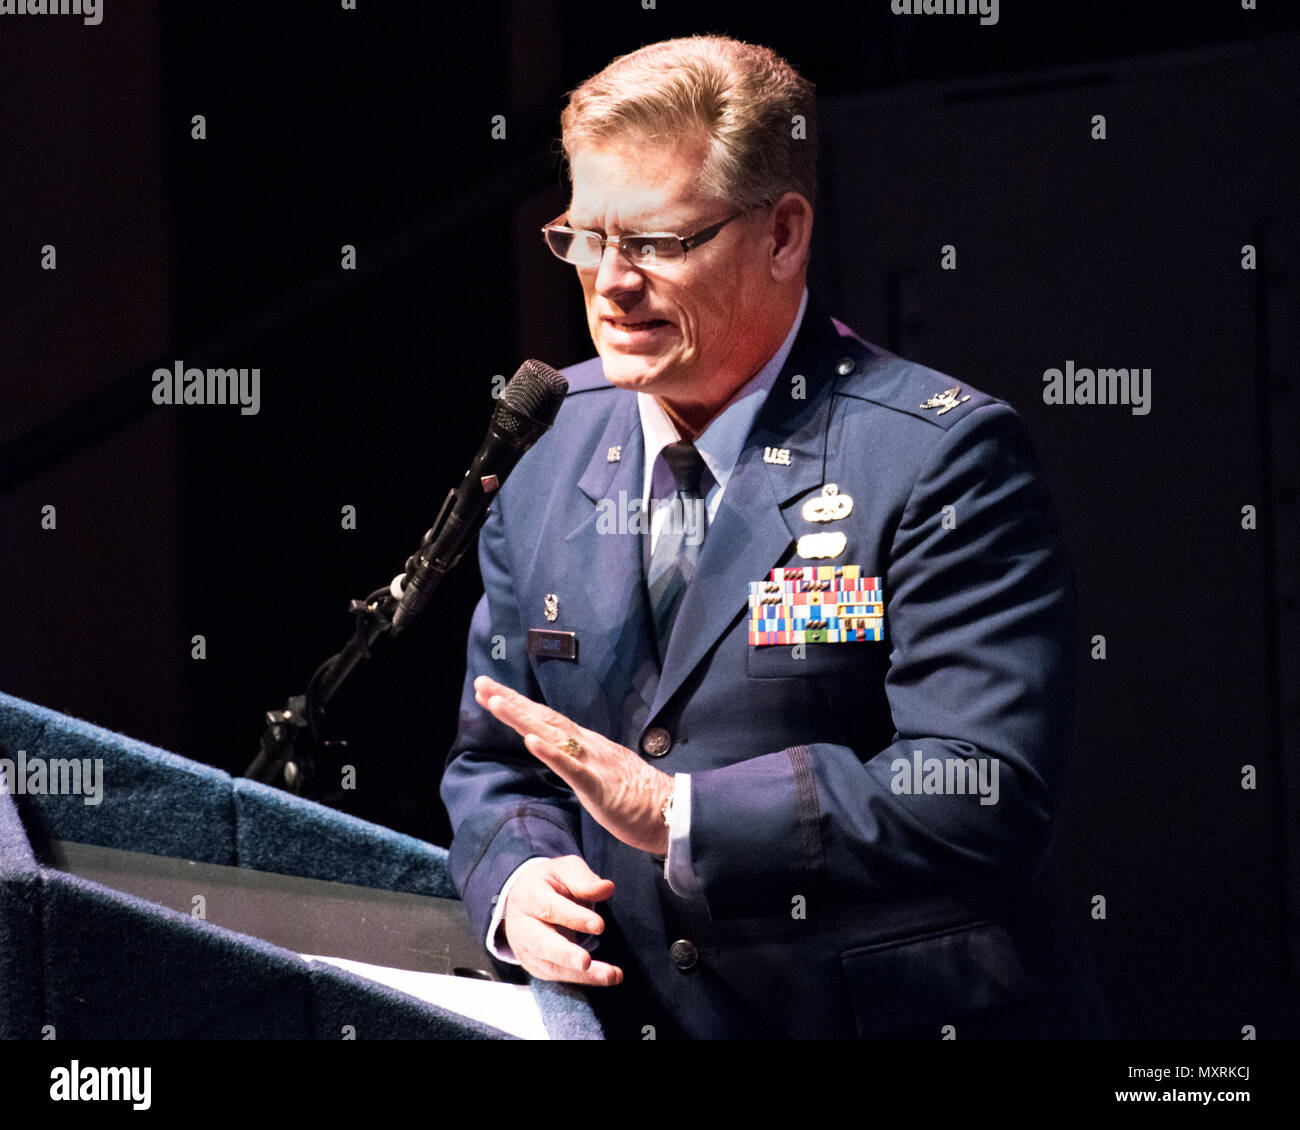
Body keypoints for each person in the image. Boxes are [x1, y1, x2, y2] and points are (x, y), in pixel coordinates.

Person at [440, 34, 1106, 1039]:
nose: (611, 283)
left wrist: (683, 814)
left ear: (784, 234)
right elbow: (496, 760)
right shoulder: (543, 436)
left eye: (658, 242)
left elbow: (983, 786)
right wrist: (517, 875)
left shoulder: (939, 454)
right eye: (585, 236)